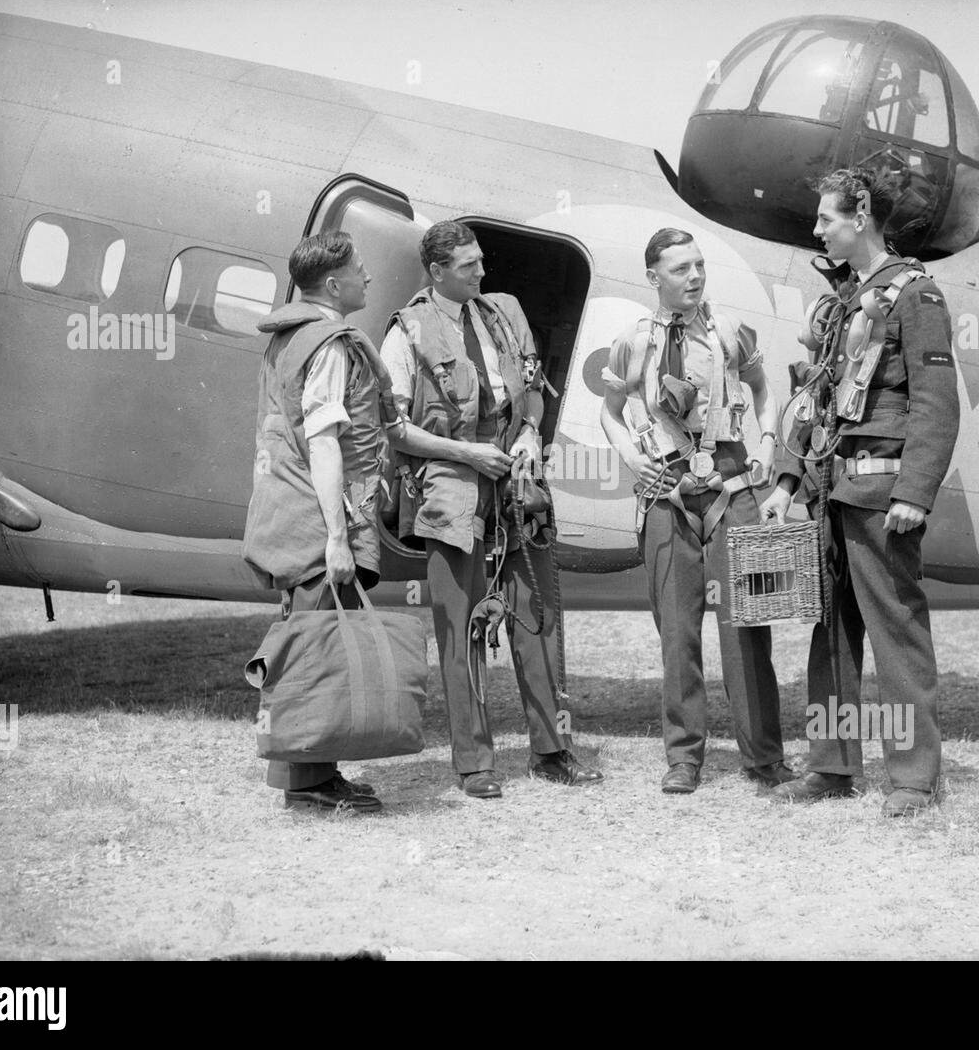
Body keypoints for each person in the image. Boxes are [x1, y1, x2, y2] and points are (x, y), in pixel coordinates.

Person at [760, 167, 960, 817]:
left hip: (881, 494)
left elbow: (935, 402)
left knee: (896, 635)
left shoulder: (915, 295)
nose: (817, 228)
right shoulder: (844, 300)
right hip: (831, 488)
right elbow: (814, 396)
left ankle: (911, 778)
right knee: (832, 636)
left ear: (862, 216)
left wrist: (916, 490)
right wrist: (788, 477)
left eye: (826, 218)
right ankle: (831, 765)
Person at [380, 220, 601, 798]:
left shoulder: (503, 311)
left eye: (481, 260)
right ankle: (474, 763)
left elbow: (531, 380)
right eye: (468, 265)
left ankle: (553, 751)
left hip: (517, 477)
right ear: (436, 271)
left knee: (538, 616)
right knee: (461, 627)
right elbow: (394, 428)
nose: (482, 271)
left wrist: (529, 430)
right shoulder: (405, 333)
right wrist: (466, 452)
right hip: (453, 484)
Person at [600, 227, 790, 795]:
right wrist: (634, 460)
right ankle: (684, 758)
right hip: (668, 494)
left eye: (700, 265)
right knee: (677, 633)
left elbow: (764, 391)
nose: (695, 276)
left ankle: (764, 757)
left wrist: (766, 441)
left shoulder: (730, 331)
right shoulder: (634, 342)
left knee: (747, 628)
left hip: (733, 489)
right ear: (653, 276)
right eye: (681, 268)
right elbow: (611, 411)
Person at [242, 230, 391, 814]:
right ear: (334, 284)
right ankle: (308, 785)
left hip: (285, 503)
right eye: (360, 269)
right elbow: (326, 442)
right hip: (317, 514)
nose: (368, 278)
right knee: (315, 647)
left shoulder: (289, 337)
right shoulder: (330, 343)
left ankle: (310, 775)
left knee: (310, 639)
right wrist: (336, 536)